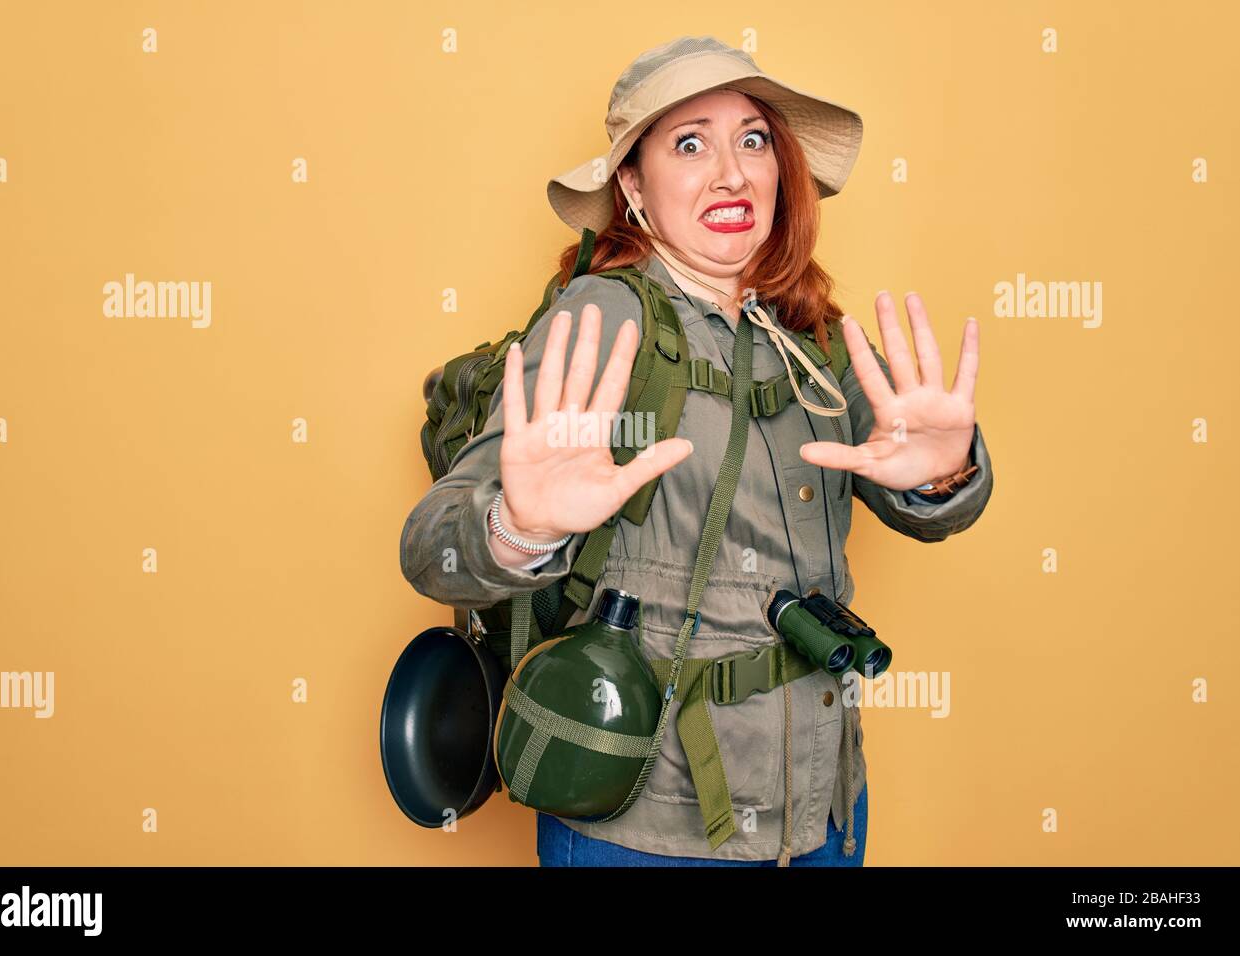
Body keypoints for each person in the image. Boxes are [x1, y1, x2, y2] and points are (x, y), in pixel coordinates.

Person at [399, 35, 994, 866]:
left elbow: (936, 503)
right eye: (690, 142)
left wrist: (945, 473)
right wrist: (519, 527)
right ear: (633, 186)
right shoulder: (605, 317)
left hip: (820, 810)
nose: (732, 172)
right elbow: (434, 548)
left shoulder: (812, 335)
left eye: (753, 139)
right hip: (647, 824)